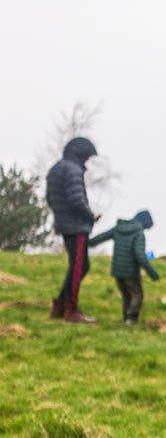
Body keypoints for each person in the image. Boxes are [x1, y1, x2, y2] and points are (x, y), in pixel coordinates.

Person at [45, 137, 101, 323]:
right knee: (78, 267)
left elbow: (50, 198)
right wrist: (90, 215)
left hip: (64, 225)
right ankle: (71, 311)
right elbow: (77, 199)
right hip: (76, 226)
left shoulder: (56, 169)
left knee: (79, 265)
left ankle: (60, 305)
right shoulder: (73, 170)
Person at [89, 210, 159, 325]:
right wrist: (152, 273)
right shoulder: (138, 233)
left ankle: (126, 318)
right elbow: (140, 255)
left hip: (117, 271)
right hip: (131, 271)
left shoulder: (119, 228)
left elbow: (101, 237)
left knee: (126, 295)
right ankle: (131, 318)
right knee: (137, 294)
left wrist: (87, 242)